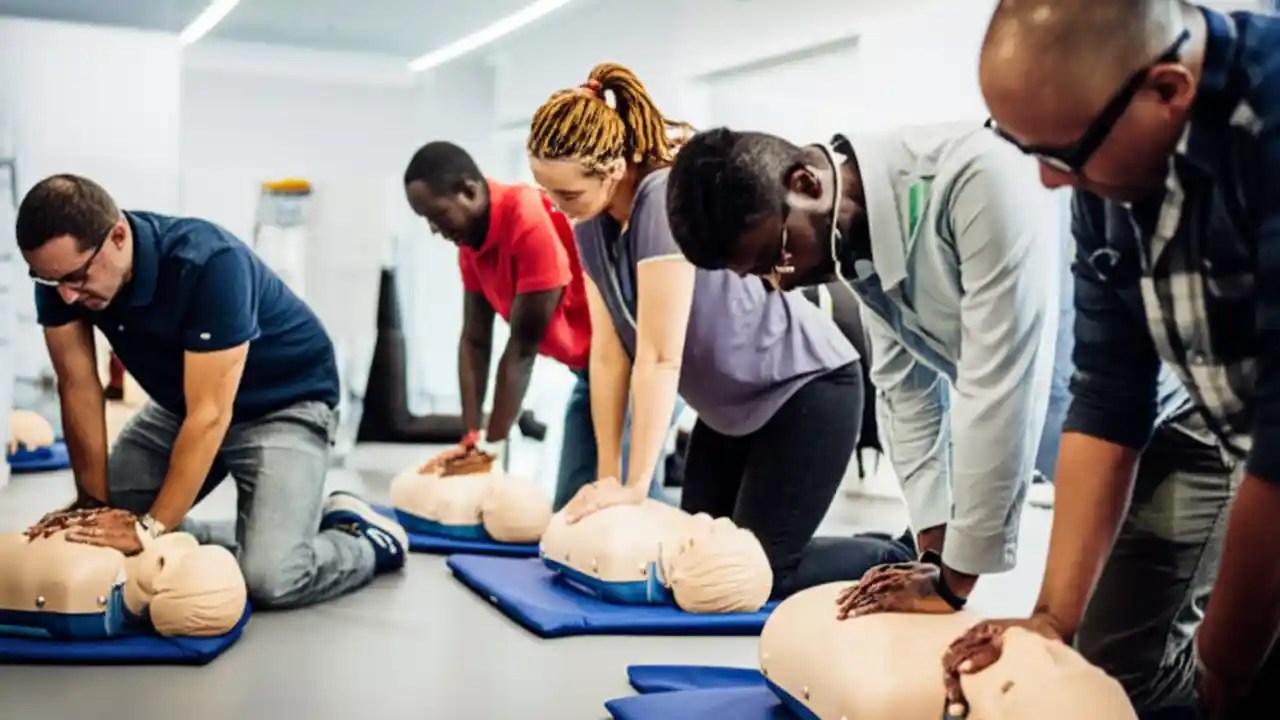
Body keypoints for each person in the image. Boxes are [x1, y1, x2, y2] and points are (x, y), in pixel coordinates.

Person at [942, 2, 1280, 718]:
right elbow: (1108, 390)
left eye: (1062, 156)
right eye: (1026, 150)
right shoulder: (1111, 168)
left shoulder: (1268, 128)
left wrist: (1227, 657)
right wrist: (1050, 620)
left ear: (1167, 90)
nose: (1050, 183)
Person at [525, 62, 908, 600]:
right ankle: (855, 545)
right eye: (548, 193)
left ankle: (902, 558)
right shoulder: (588, 225)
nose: (555, 207)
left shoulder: (660, 199)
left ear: (611, 168)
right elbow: (609, 356)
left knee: (759, 573)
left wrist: (638, 487)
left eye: (565, 194)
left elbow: (659, 355)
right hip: (728, 413)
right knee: (696, 562)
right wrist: (608, 478)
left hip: (806, 390)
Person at [666, 121, 1068, 610]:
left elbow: (999, 389)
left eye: (777, 256)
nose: (781, 284)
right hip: (1072, 446)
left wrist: (951, 585)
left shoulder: (975, 178)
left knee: (1122, 659)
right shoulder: (853, 236)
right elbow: (906, 393)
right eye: (760, 276)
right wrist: (933, 556)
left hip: (1150, 432)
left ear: (806, 184)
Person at [14, 174, 407, 609]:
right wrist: (90, 502)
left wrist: (150, 530)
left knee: (271, 578)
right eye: (51, 282)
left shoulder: (208, 262)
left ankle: (362, 539)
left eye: (76, 276)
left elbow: (211, 416)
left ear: (119, 236)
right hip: (184, 402)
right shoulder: (61, 278)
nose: (66, 296)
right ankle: (264, 531)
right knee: (107, 523)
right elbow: (78, 387)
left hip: (284, 404)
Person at [403, 141, 625, 511]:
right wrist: (471, 436)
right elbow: (475, 340)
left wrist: (489, 452)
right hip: (591, 372)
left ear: (469, 191)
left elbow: (521, 350)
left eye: (437, 214)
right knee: (569, 507)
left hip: (632, 363)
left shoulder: (526, 219)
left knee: (618, 501)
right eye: (425, 219)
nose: (433, 229)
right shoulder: (471, 243)